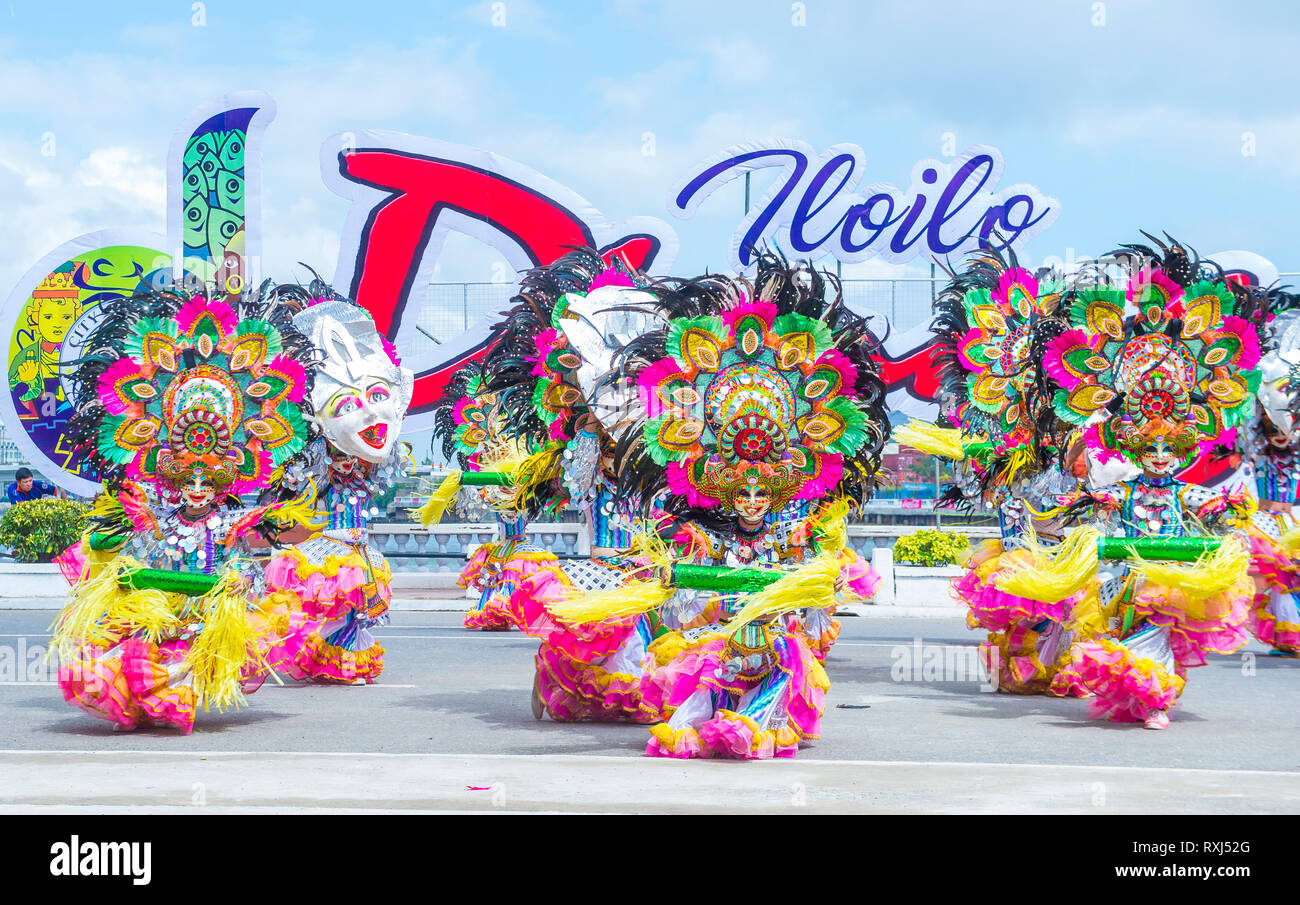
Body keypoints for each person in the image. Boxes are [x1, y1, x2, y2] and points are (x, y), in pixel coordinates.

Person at [49, 286, 318, 734]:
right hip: (159, 610)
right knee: (128, 656)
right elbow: (136, 556)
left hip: (200, 620)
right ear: (171, 477)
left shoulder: (231, 522)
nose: (196, 489)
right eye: (188, 480)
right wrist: (110, 555)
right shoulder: (158, 518)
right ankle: (134, 703)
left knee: (181, 668)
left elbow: (243, 567)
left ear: (222, 483)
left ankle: (164, 700)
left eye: (205, 481)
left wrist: (238, 581)